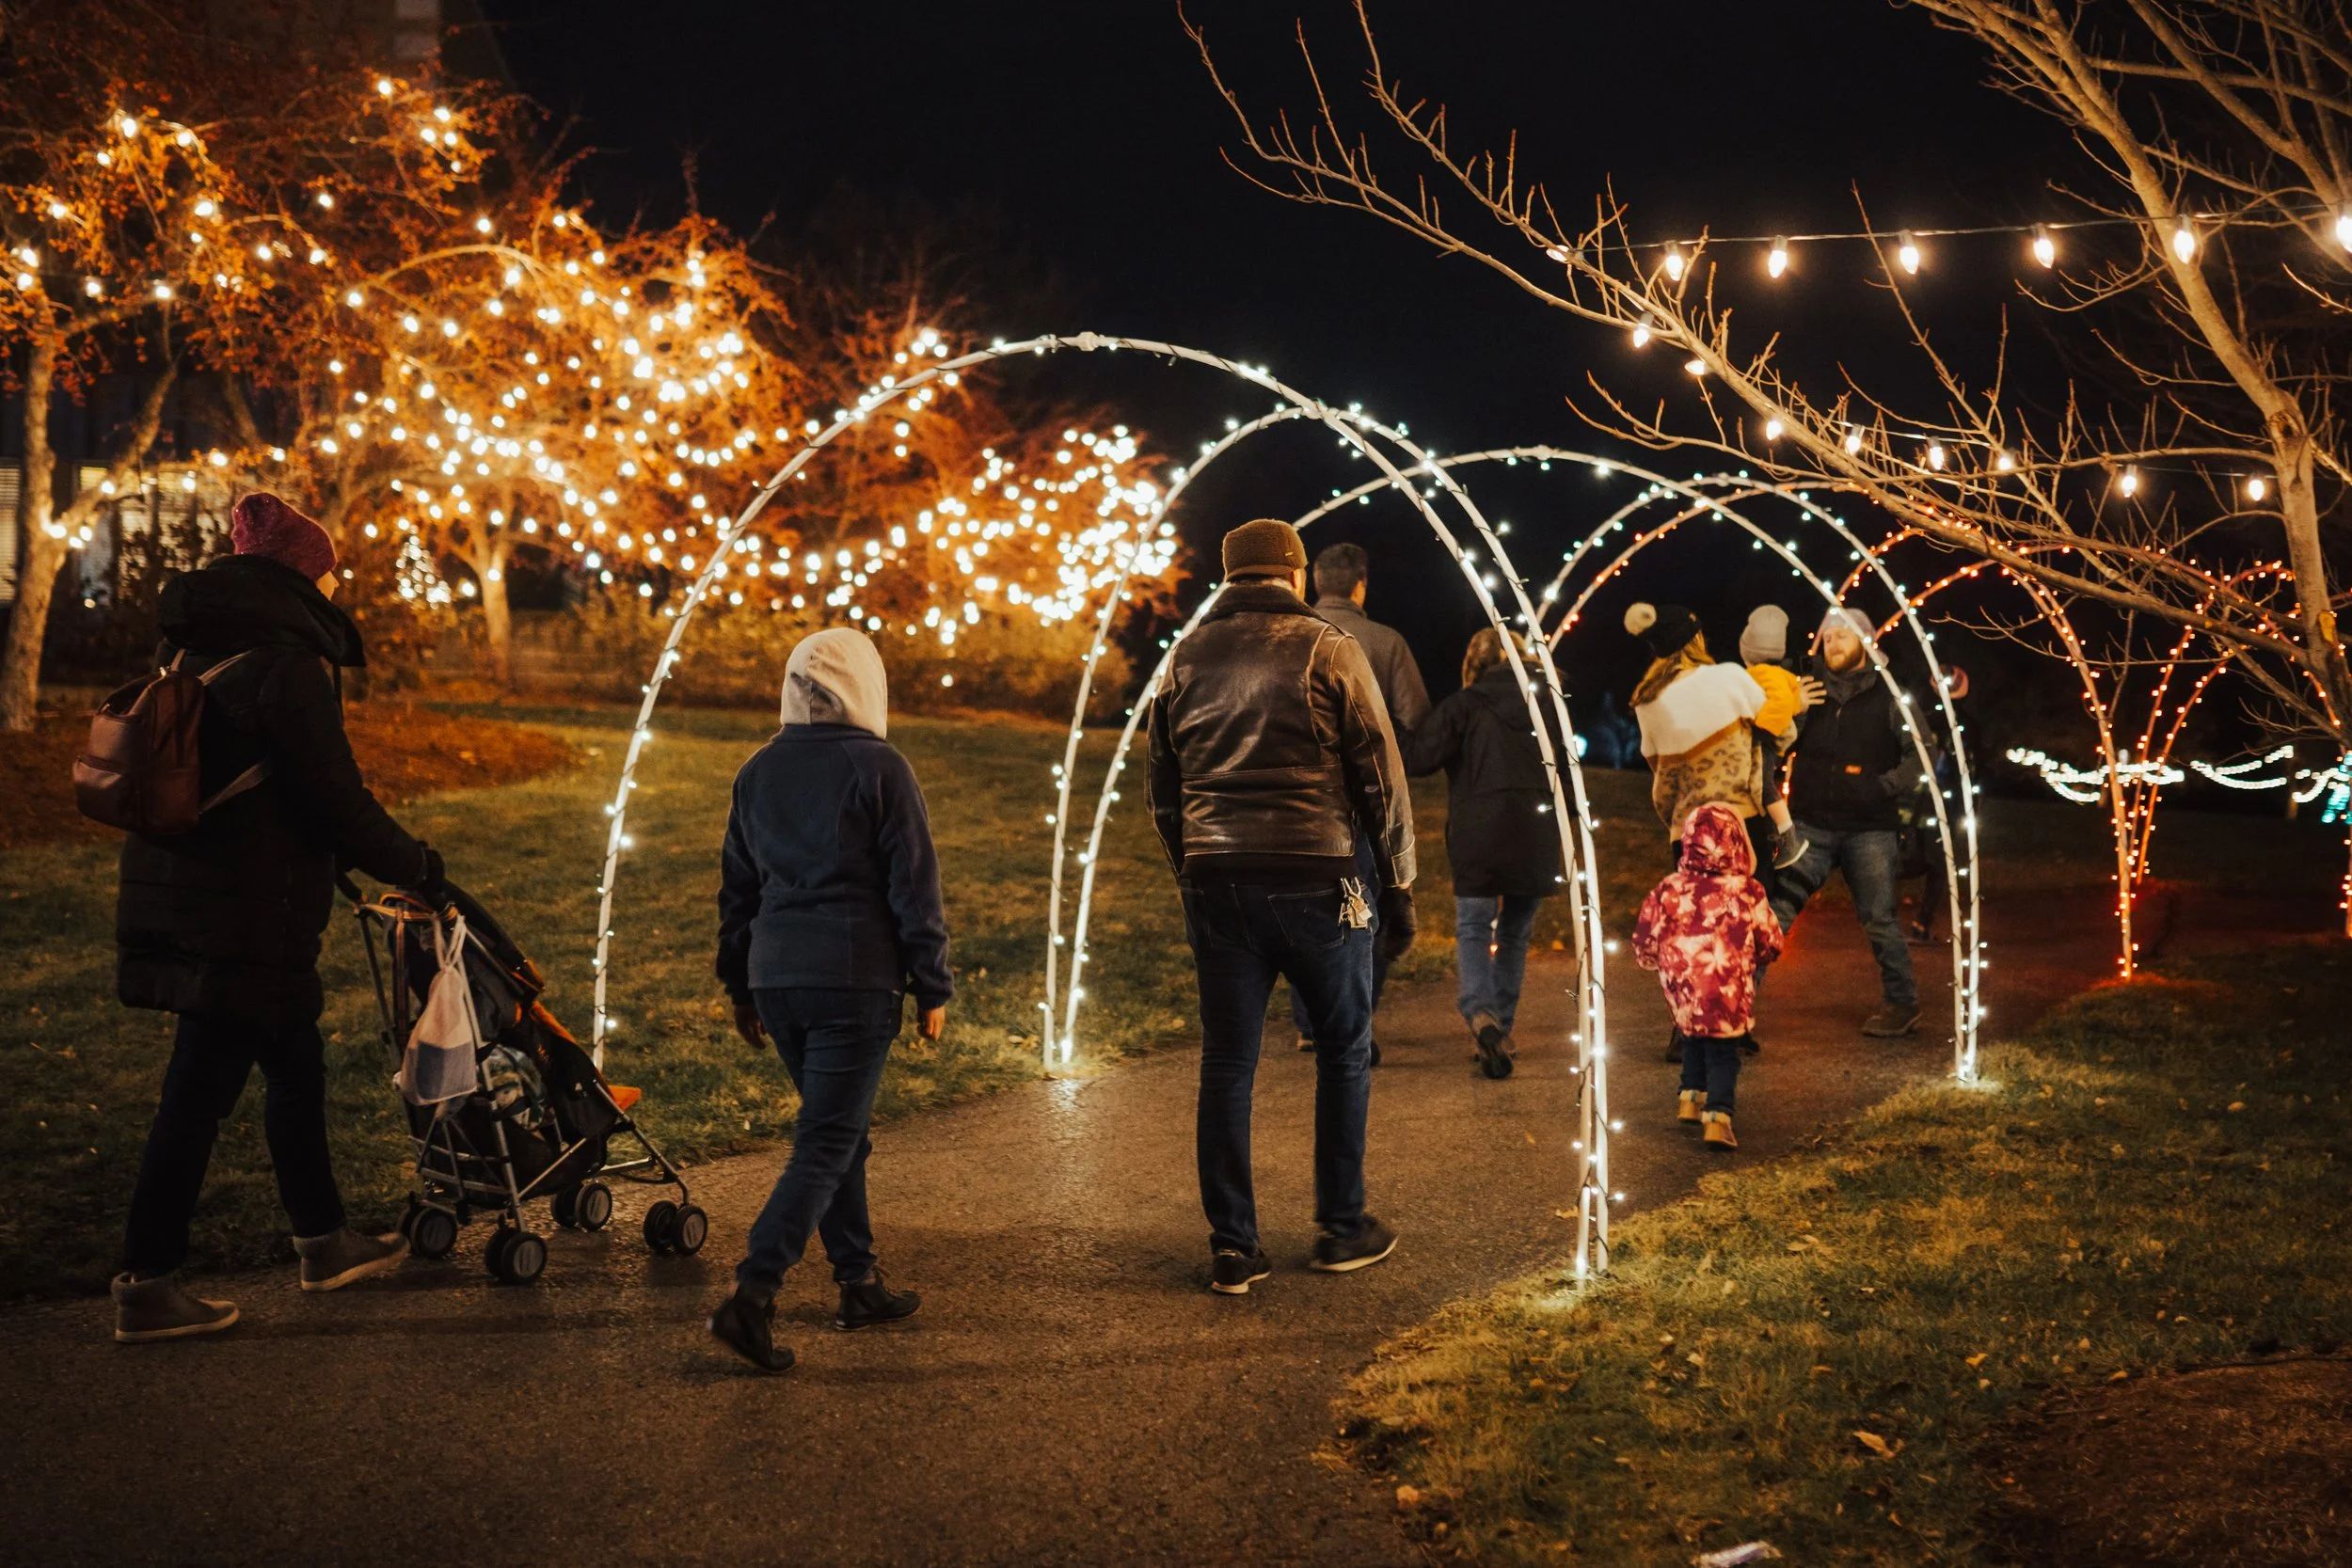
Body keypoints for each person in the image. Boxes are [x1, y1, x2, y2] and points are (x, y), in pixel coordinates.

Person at [111, 492, 440, 1344]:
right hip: (244, 915)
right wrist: (418, 867)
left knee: (295, 1061)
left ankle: (323, 1239)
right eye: (326, 576)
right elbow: (334, 797)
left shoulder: (188, 642)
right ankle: (147, 1281)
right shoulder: (286, 667)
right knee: (198, 1088)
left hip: (194, 890)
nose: (333, 592)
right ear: (300, 576)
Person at [1148, 518, 1416, 1295]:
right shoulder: (1330, 649)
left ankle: (1233, 1244)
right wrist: (1396, 883)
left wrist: (1189, 868)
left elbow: (1163, 787)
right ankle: (1341, 1227)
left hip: (1217, 877)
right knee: (1343, 1048)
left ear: (1230, 579)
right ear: (1295, 575)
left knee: (1228, 1059)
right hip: (1317, 873)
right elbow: (1379, 772)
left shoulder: (1184, 657)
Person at [705, 629, 947, 1374]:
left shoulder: (757, 771)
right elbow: (914, 884)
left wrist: (740, 982)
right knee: (827, 1140)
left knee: (841, 1133)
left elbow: (737, 890)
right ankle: (753, 1292)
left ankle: (858, 1280)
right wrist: (931, 981)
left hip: (779, 978)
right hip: (854, 977)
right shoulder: (880, 767)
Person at [1400, 627, 1566, 1079]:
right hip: (1536, 829)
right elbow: (1567, 772)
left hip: (1479, 832)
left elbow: (1419, 760)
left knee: (1475, 926)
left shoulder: (1465, 706)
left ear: (1474, 664)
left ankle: (1480, 1013)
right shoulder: (1546, 705)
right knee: (1515, 931)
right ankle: (1501, 1028)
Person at [1292, 540, 1431, 1060]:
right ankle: (1352, 1021)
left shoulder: (1290, 638)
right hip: (1364, 799)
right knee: (1366, 915)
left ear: (1313, 582)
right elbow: (1415, 715)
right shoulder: (1385, 642)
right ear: (1360, 583)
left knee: (1306, 910)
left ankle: (1310, 1019)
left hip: (1301, 801)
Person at [1772, 607, 1931, 1037]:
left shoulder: (1891, 694)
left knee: (1880, 919)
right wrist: (1794, 710)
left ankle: (1902, 1004)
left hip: (1870, 828)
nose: (1833, 644)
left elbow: (1924, 753)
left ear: (1866, 640)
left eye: (1843, 635)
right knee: (1776, 913)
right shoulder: (1809, 690)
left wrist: (1884, 787)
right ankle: (1733, 1003)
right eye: (1827, 638)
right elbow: (1778, 743)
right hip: (1808, 823)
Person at [1632, 802, 1785, 1151]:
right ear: (1738, 842)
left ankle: (1690, 1098)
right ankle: (1718, 1116)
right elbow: (1770, 940)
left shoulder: (1670, 888)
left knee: (1692, 1036)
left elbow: (1645, 933)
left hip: (1683, 984)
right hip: (1725, 984)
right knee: (1722, 1048)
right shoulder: (1748, 891)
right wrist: (1759, 957)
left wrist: (1654, 959)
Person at [1624, 602, 1772, 868]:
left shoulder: (1647, 700)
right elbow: (1774, 732)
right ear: (1696, 638)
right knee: (1753, 906)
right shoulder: (1730, 677)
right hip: (1742, 822)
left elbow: (1660, 776)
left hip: (1687, 832)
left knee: (1699, 908)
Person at [1738, 604, 1818, 871]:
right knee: (1761, 787)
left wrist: (1761, 729)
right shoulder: (1770, 676)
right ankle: (1781, 835)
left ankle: (1788, 837)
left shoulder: (1768, 676)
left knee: (1764, 787)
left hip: (1764, 740)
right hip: (1764, 739)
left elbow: (1781, 704)